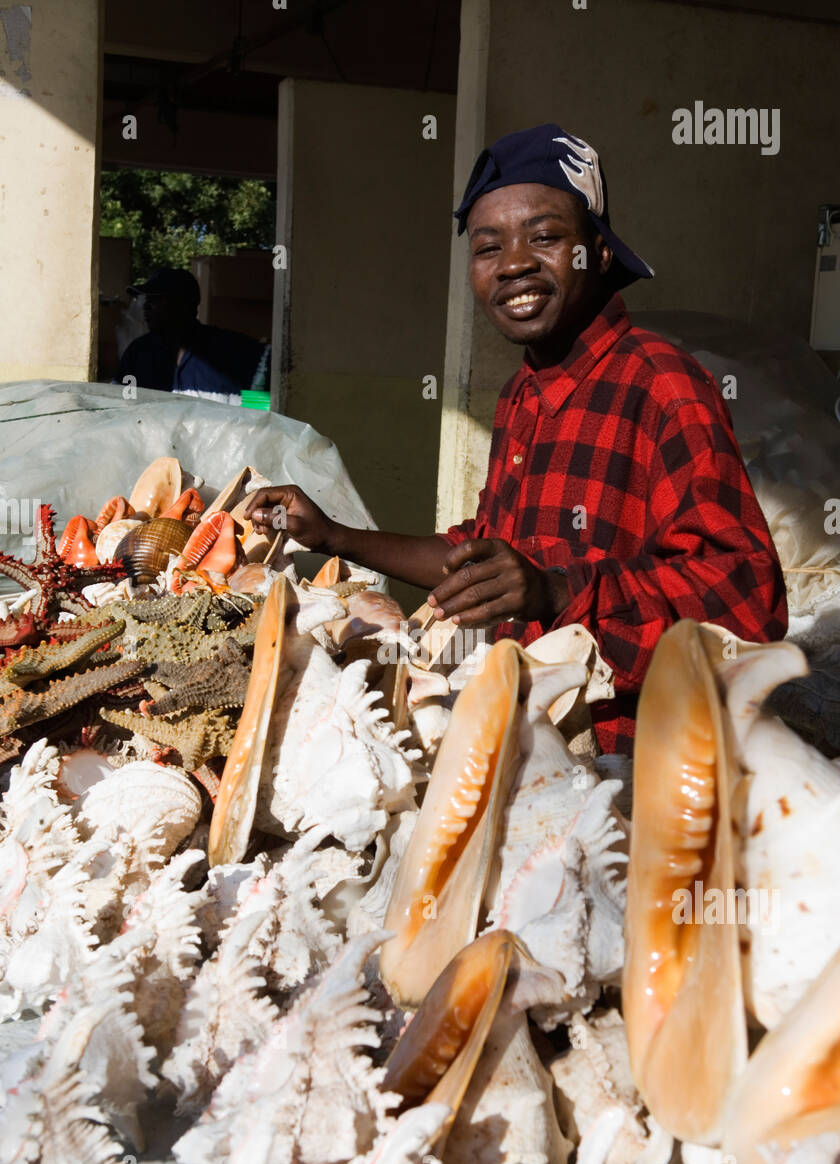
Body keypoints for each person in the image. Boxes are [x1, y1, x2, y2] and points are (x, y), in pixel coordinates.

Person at [245, 124, 787, 753]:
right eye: (487, 246)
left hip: (631, 762)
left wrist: (558, 591)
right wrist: (333, 535)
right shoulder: (524, 394)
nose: (513, 263)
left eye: (545, 236)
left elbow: (747, 598)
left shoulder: (661, 383)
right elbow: (486, 557)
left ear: (600, 252)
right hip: (526, 745)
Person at [114, 267, 268, 403]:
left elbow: (263, 407)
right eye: (146, 299)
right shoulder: (138, 353)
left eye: (157, 299)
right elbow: (117, 406)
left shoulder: (229, 350)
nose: (146, 306)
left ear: (184, 305)